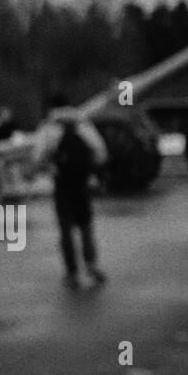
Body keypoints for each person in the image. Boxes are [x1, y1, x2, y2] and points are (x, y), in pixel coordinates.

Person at [35, 94, 109, 289]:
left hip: (62, 184)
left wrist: (51, 167)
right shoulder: (82, 123)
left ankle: (72, 273)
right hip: (82, 183)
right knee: (85, 225)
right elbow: (100, 152)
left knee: (65, 230)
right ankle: (91, 264)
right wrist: (88, 169)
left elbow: (38, 157)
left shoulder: (48, 127)